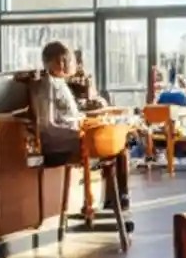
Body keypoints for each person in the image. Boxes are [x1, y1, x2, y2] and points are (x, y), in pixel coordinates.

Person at [32, 41, 130, 212]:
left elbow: (69, 116)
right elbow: (47, 126)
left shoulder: (60, 83)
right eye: (70, 60)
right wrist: (79, 132)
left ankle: (114, 198)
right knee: (116, 146)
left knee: (118, 142)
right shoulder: (47, 86)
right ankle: (116, 199)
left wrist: (86, 121)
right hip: (58, 145)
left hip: (72, 138)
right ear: (60, 62)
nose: (74, 64)